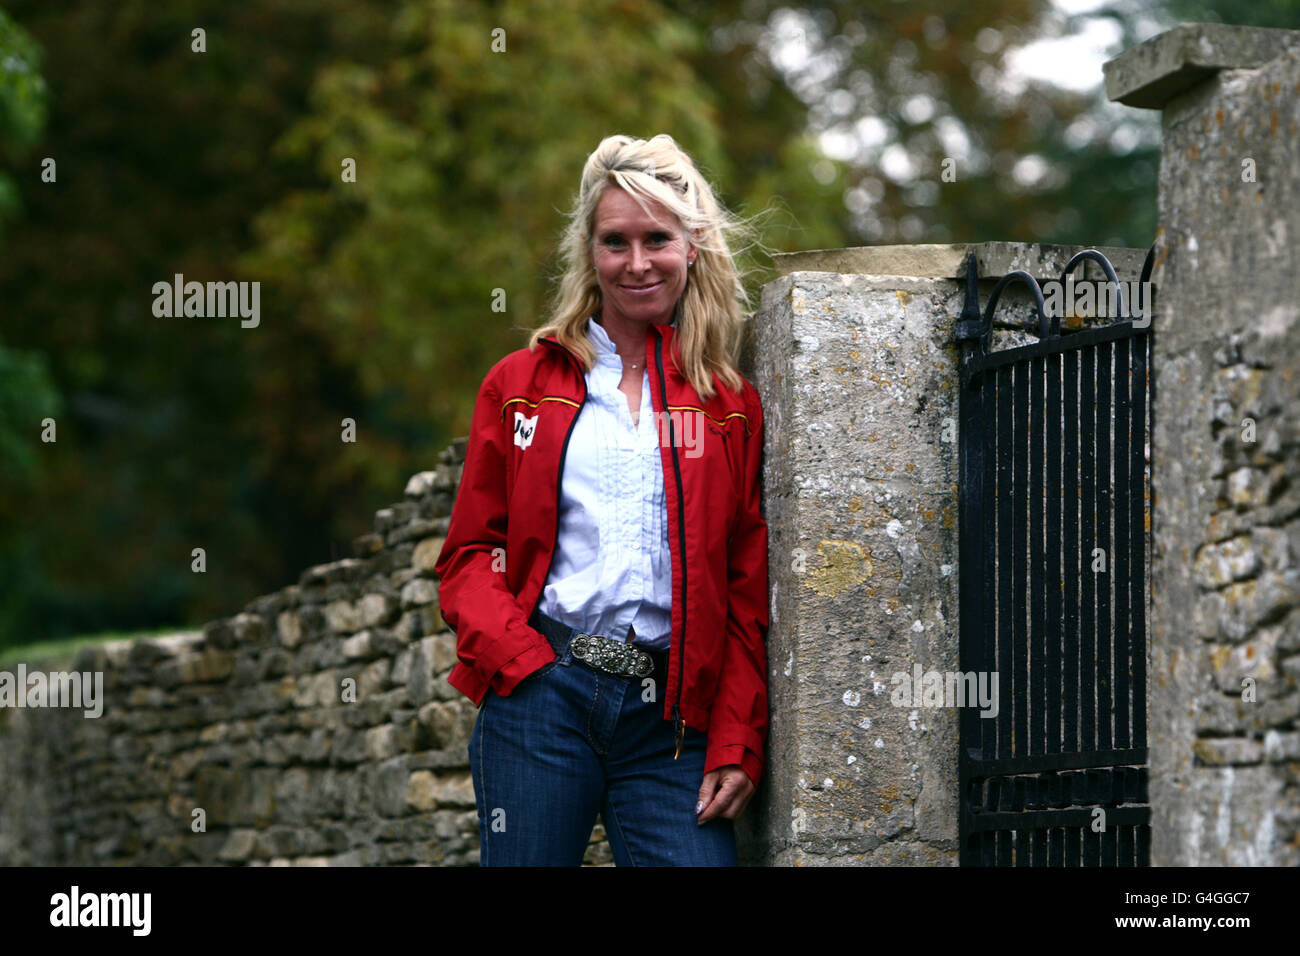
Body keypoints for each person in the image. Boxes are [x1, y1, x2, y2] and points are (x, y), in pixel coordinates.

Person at [433, 133, 770, 866]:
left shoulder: (730, 403)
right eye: (615, 241)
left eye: (658, 239)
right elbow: (467, 553)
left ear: (695, 245)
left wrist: (738, 737)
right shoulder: (519, 383)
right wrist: (519, 661)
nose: (637, 262)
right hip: (541, 697)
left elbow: (746, 589)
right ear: (589, 251)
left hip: (672, 723)